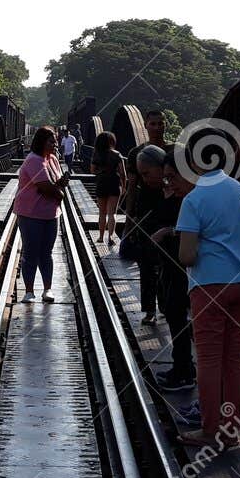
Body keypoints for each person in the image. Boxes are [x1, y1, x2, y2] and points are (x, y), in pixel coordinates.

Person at [174, 148, 240, 450]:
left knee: (209, 360)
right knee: (235, 358)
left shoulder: (194, 199)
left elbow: (186, 255)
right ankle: (231, 431)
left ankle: (211, 431)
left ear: (197, 162)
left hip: (211, 285)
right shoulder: (238, 189)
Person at [137, 147, 195, 391]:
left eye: (146, 172)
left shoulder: (187, 195)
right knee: (173, 313)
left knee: (178, 314)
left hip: (182, 265)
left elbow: (191, 226)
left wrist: (168, 231)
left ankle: (185, 372)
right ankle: (181, 367)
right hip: (168, 263)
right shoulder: (154, 193)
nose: (144, 178)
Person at [123, 111, 170, 322]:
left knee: (169, 261)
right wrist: (129, 216)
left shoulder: (174, 150)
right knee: (146, 263)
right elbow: (132, 186)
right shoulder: (135, 153)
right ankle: (150, 309)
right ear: (145, 125)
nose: (157, 127)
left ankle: (167, 304)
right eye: (153, 123)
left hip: (170, 210)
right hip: (145, 212)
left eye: (161, 123)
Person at [14, 126, 67, 302]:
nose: (55, 144)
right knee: (30, 252)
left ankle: (47, 289)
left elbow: (54, 183)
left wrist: (60, 183)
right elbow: (46, 187)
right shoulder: (34, 160)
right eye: (51, 141)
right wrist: (61, 193)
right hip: (30, 214)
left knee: (47, 252)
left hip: (51, 214)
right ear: (41, 142)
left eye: (56, 140)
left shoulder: (52, 159)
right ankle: (29, 291)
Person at [93, 130, 126, 248]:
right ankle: (111, 236)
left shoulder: (97, 154)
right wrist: (124, 186)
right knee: (112, 213)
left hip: (102, 183)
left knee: (102, 213)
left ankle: (101, 237)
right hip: (114, 183)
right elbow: (123, 173)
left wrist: (101, 171)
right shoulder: (117, 154)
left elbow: (92, 170)